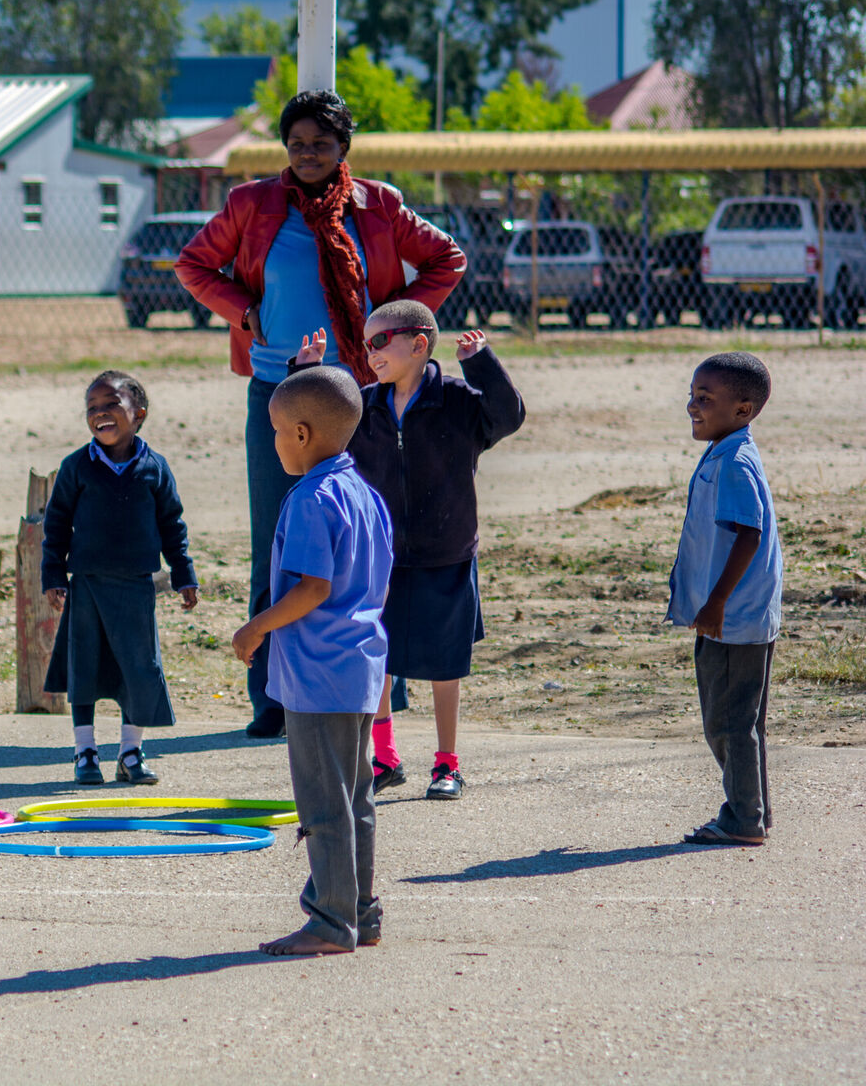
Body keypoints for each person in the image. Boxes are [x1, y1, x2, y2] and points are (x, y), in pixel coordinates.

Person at [176, 89, 463, 739]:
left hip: (365, 395)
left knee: (372, 544)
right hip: (280, 390)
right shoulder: (253, 204)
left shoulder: (379, 205)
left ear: (344, 151)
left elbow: (447, 259)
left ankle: (383, 690)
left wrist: (394, 326)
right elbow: (194, 264)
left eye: (321, 145)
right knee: (277, 543)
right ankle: (273, 696)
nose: (308, 155)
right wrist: (240, 311)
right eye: (297, 144)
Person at [290, 301, 525, 801]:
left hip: (447, 552)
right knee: (379, 656)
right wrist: (308, 375)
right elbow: (320, 426)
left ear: (419, 344)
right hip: (380, 559)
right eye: (364, 342)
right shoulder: (365, 405)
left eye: (381, 341)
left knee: (445, 665)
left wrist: (480, 361)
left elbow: (509, 415)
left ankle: (447, 763)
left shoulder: (460, 401)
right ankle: (385, 757)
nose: (369, 352)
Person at [232, 365, 392, 956]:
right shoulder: (364, 493)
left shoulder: (309, 498)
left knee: (325, 806)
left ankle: (330, 922)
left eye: (275, 431)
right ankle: (361, 912)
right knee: (356, 799)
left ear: (301, 435)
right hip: (359, 669)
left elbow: (311, 589)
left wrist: (254, 628)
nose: (272, 442)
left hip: (319, 675)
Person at [40, 371, 200, 786]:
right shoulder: (76, 467)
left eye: (111, 404)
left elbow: (172, 524)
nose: (100, 413)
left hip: (135, 586)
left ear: (139, 413)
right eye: (92, 408)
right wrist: (53, 574)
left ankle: (131, 752)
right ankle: (85, 752)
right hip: (88, 584)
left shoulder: (155, 468)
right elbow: (55, 525)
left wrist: (184, 574)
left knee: (138, 668)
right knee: (84, 668)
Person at [667, 352, 782, 847]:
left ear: (743, 409)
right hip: (732, 614)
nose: (693, 406)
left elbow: (749, 534)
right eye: (692, 396)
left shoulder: (733, 461)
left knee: (727, 721)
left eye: (705, 399)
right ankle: (754, 810)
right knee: (742, 719)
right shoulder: (725, 449)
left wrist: (714, 603)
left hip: (731, 618)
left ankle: (742, 820)